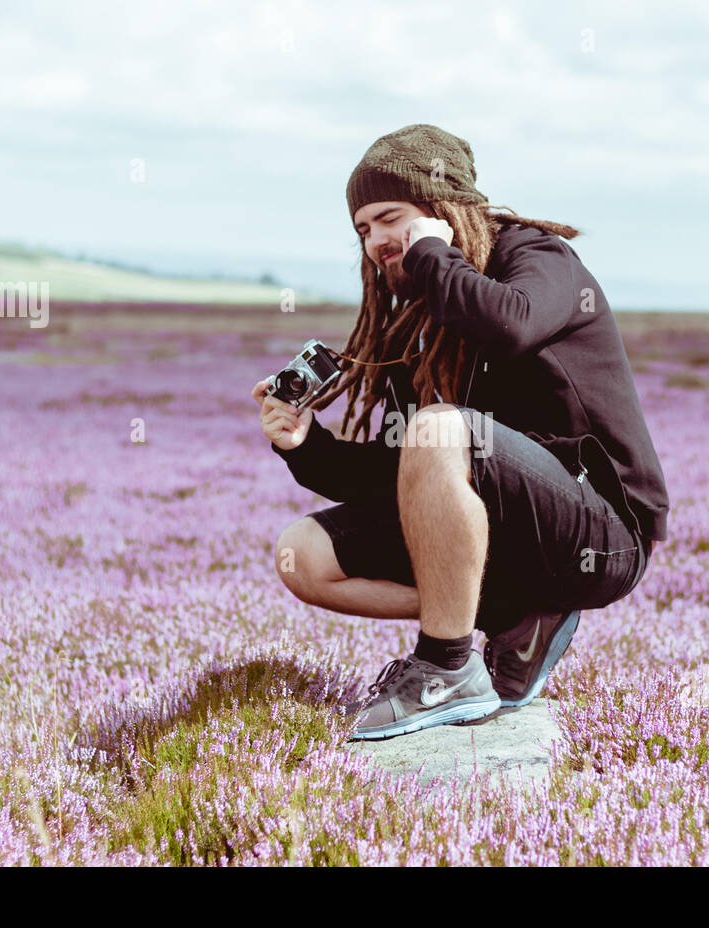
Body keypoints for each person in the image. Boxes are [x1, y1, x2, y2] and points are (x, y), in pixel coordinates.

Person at [249, 123, 669, 740]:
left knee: (439, 429)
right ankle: (512, 613)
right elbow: (400, 474)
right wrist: (306, 446)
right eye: (362, 229)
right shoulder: (421, 321)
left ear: (441, 210)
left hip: (601, 532)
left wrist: (431, 255)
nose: (376, 241)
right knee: (303, 555)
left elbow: (513, 325)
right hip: (504, 540)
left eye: (390, 219)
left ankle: (445, 668)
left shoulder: (538, 259)